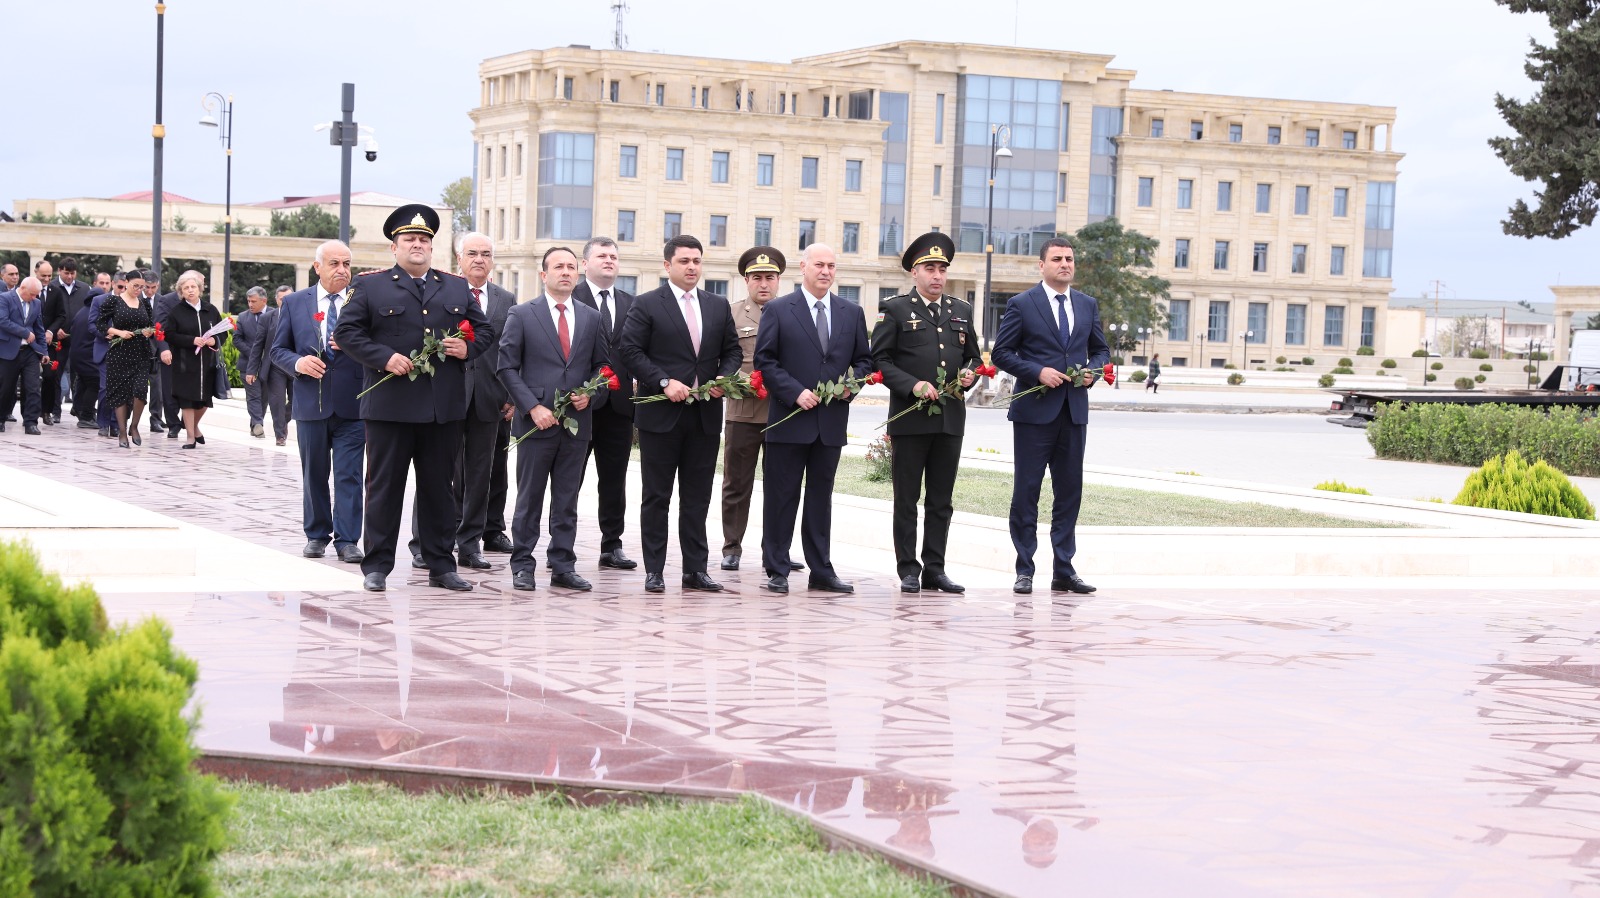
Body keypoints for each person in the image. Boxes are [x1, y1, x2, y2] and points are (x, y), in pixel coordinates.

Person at [331, 203, 492, 593]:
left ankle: (441, 565)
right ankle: (377, 566)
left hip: (442, 408)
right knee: (385, 488)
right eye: (409, 239)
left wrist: (465, 348)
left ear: (431, 248)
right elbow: (348, 333)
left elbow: (485, 331)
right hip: (390, 407)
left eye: (424, 240)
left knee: (439, 489)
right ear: (395, 247)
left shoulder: (454, 286)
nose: (417, 245)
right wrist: (384, 358)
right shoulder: (370, 285)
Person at [617, 235, 741, 594]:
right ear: (667, 265)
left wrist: (724, 377)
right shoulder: (646, 304)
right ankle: (654, 570)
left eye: (697, 261)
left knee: (698, 496)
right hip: (662, 417)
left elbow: (732, 351)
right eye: (684, 261)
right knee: (657, 496)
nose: (691, 267)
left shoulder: (718, 306)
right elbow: (630, 351)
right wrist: (662, 380)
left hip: (704, 416)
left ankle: (695, 570)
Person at [991, 237, 1109, 595]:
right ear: (1041, 265)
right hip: (1034, 414)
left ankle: (1064, 569)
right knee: (1027, 491)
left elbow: (1101, 350)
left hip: (1073, 412)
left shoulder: (1087, 305)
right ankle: (1024, 568)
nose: (1065, 264)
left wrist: (1094, 371)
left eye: (1070, 259)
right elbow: (1001, 353)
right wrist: (1037, 372)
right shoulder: (1022, 304)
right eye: (1057, 259)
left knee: (1069, 491)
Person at [753, 243, 872, 594]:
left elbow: (864, 361)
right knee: (781, 497)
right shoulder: (778, 309)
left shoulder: (851, 312)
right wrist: (793, 392)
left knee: (821, 499)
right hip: (789, 419)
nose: (826, 271)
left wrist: (852, 386)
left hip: (830, 423)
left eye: (832, 266)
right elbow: (766, 360)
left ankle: (821, 570)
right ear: (803, 267)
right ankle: (776, 568)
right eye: (819, 264)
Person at [871, 232, 982, 594]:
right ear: (914, 273)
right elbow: (880, 361)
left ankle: (935, 568)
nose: (937, 275)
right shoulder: (895, 309)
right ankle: (908, 569)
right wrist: (913, 385)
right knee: (906, 498)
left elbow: (975, 358)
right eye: (929, 268)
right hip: (911, 417)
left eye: (941, 269)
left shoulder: (961, 311)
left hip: (950, 418)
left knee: (941, 500)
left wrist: (969, 376)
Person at [497, 246, 609, 592]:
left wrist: (592, 393)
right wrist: (532, 406)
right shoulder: (522, 314)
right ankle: (523, 565)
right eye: (558, 267)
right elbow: (506, 368)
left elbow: (601, 369)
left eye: (571, 267)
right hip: (536, 424)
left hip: (576, 425)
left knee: (566, 498)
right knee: (530, 497)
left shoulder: (591, 317)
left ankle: (562, 565)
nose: (565, 272)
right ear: (543, 275)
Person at [409, 232, 515, 571]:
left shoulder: (506, 299)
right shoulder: (440, 291)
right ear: (459, 258)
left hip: (488, 397)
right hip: (445, 393)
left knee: (481, 475)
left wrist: (511, 395)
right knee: (436, 470)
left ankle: (469, 544)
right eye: (472, 253)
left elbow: (512, 350)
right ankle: (424, 544)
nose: (479, 259)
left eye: (486, 253)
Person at [270, 240, 365, 564]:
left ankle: (349, 539)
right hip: (311, 402)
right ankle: (316, 535)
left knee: (349, 474)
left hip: (353, 405)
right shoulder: (295, 303)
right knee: (314, 472)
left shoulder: (361, 301)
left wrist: (357, 346)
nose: (342, 270)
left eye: (347, 264)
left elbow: (378, 346)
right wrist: (298, 364)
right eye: (335, 263)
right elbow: (278, 350)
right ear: (318, 267)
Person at [570, 236, 637, 571]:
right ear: (585, 264)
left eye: (613, 256)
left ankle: (612, 545)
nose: (609, 260)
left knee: (614, 480)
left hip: (620, 407)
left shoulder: (631, 302)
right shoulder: (571, 298)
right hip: (580, 405)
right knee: (570, 479)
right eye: (601, 256)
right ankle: (561, 544)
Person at [719, 245, 785, 571]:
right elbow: (723, 359)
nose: (764, 284)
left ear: (779, 280)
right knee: (737, 484)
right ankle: (731, 547)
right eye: (757, 277)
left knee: (780, 487)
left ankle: (774, 550)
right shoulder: (730, 314)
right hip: (743, 411)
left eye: (770, 277)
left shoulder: (792, 312)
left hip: (783, 414)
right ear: (746, 280)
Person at [161, 269, 225, 450]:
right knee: (187, 401)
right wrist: (191, 340)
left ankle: (194, 426)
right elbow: (169, 334)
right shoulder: (176, 312)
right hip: (185, 363)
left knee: (204, 401)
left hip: (207, 363)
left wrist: (215, 340)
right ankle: (190, 437)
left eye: (193, 287)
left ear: (199, 289)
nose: (190, 290)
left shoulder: (210, 310)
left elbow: (223, 332)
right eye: (186, 287)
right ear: (181, 291)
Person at [94, 270, 156, 448]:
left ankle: (134, 426)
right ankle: (122, 432)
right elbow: (100, 324)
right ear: (126, 282)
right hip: (119, 352)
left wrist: (148, 331)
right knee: (119, 394)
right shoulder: (114, 301)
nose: (138, 289)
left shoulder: (145, 303)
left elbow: (150, 325)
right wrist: (118, 332)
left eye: (141, 287)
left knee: (140, 391)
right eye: (135, 285)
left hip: (140, 353)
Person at [0, 276, 49, 434]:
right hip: (9, 351)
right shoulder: (5, 298)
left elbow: (39, 329)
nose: (35, 298)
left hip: (29, 352)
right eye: (33, 294)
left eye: (37, 295)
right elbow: (3, 321)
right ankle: (1, 419)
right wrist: (25, 332)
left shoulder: (36, 303)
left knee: (33, 388)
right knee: (6, 388)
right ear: (23, 288)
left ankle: (31, 422)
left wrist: (44, 352)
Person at [40, 258, 80, 425]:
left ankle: (50, 411)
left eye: (72, 273)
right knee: (44, 376)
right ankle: (41, 413)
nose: (47, 279)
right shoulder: (33, 289)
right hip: (42, 340)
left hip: (64, 341)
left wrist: (52, 330)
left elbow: (63, 315)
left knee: (57, 376)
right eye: (44, 275)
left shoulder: (59, 291)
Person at [234, 287, 273, 437]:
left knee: (264, 397)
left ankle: (255, 424)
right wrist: (253, 353)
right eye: (248, 301)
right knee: (253, 395)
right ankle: (258, 424)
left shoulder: (274, 315)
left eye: (253, 301)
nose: (250, 304)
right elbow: (237, 339)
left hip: (269, 365)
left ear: (264, 300)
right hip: (247, 364)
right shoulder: (243, 317)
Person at [148, 269, 180, 437]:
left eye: (153, 287)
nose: (149, 291)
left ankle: (156, 419)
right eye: (147, 287)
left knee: (158, 387)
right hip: (139, 349)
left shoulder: (162, 300)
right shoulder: (134, 300)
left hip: (158, 350)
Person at [259, 286, 291, 445]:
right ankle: (280, 434)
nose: (284, 302)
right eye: (281, 299)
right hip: (275, 366)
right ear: (276, 300)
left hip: (295, 365)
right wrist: (252, 370)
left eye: (288, 298)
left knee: (296, 401)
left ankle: (283, 420)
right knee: (276, 401)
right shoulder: (267, 318)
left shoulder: (302, 316)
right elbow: (258, 345)